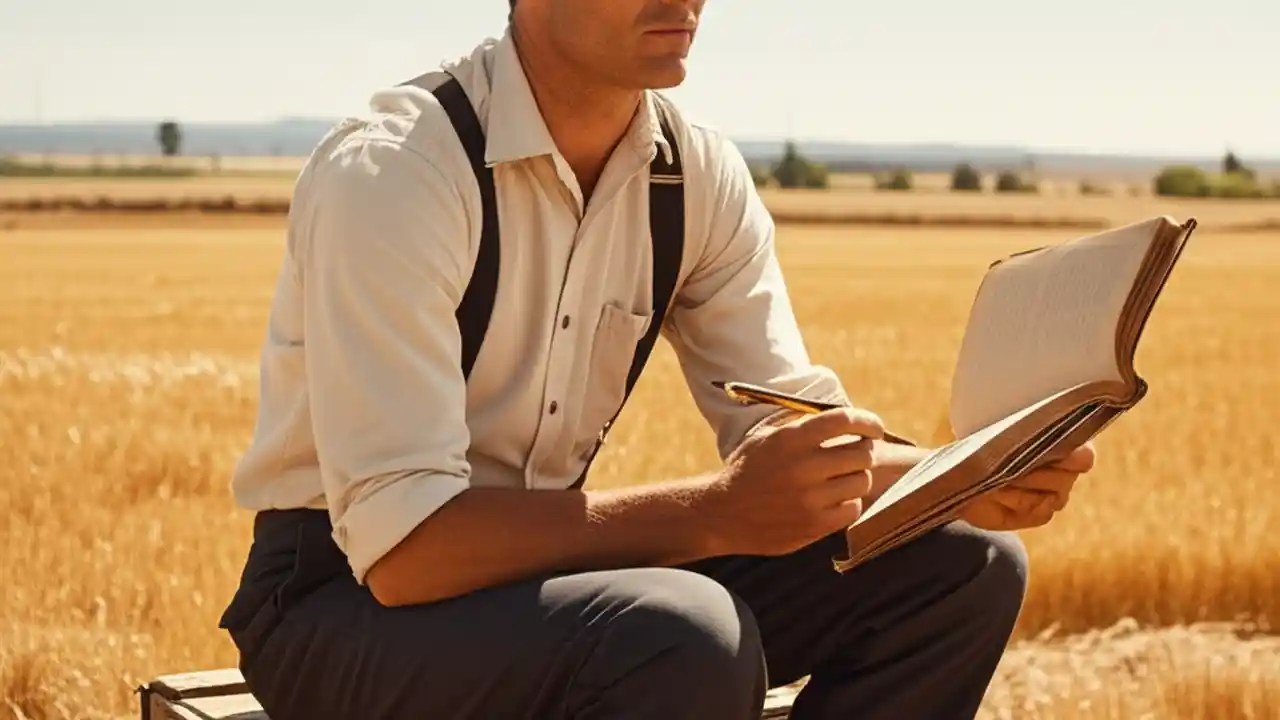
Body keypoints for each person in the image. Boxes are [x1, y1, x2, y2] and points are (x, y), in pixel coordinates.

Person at [218, 1, 1097, 718]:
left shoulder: (695, 174)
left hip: (543, 580)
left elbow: (790, 430)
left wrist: (966, 474)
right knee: (682, 635)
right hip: (337, 605)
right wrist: (717, 512)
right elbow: (404, 552)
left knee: (959, 564)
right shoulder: (398, 170)